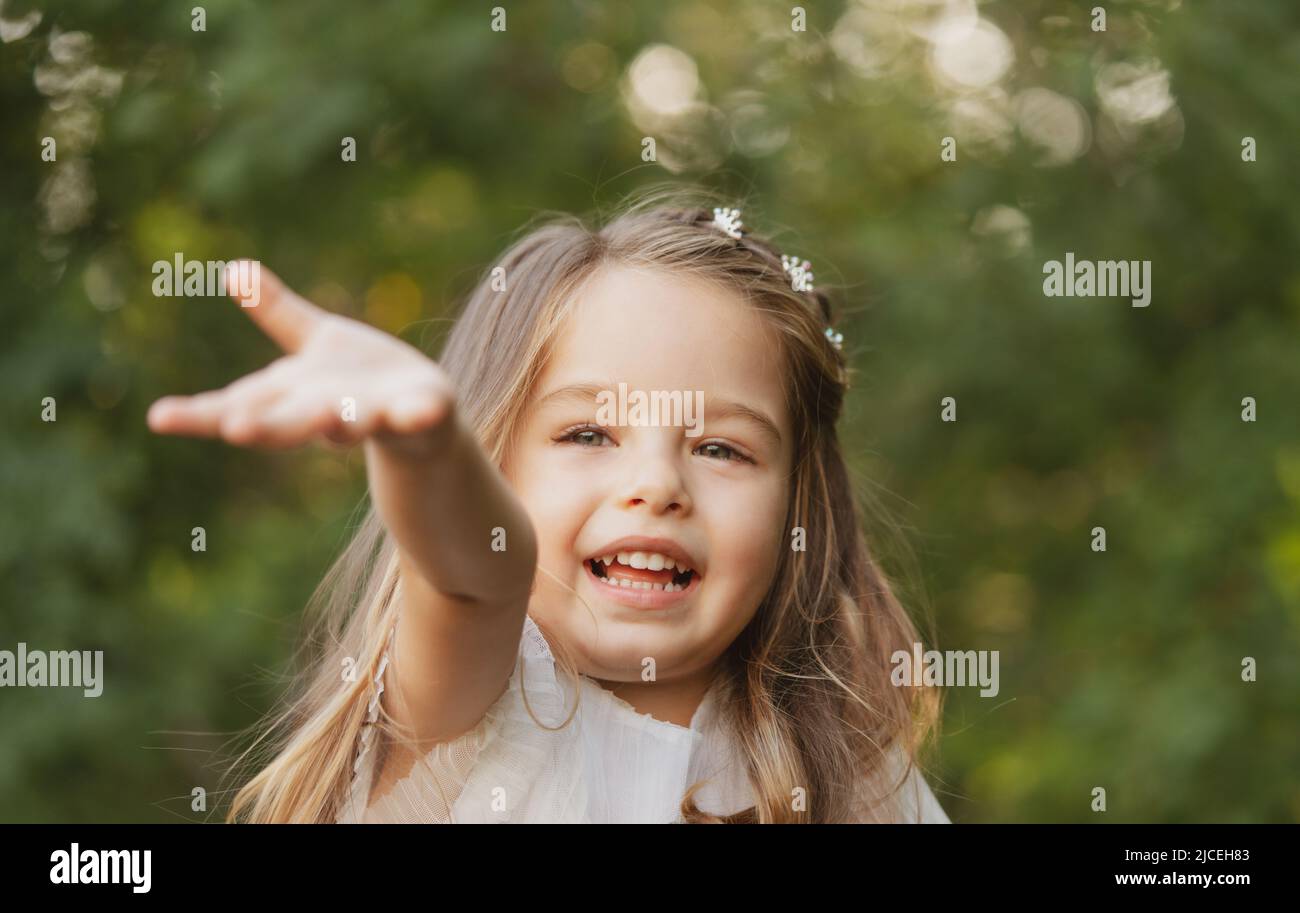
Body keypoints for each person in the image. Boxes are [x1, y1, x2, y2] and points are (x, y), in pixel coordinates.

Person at [147, 186, 949, 824]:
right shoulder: (478, 705)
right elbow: (478, 574)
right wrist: (428, 446)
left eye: (720, 449)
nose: (658, 485)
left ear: (796, 512)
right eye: (589, 433)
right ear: (496, 457)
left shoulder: (855, 778)